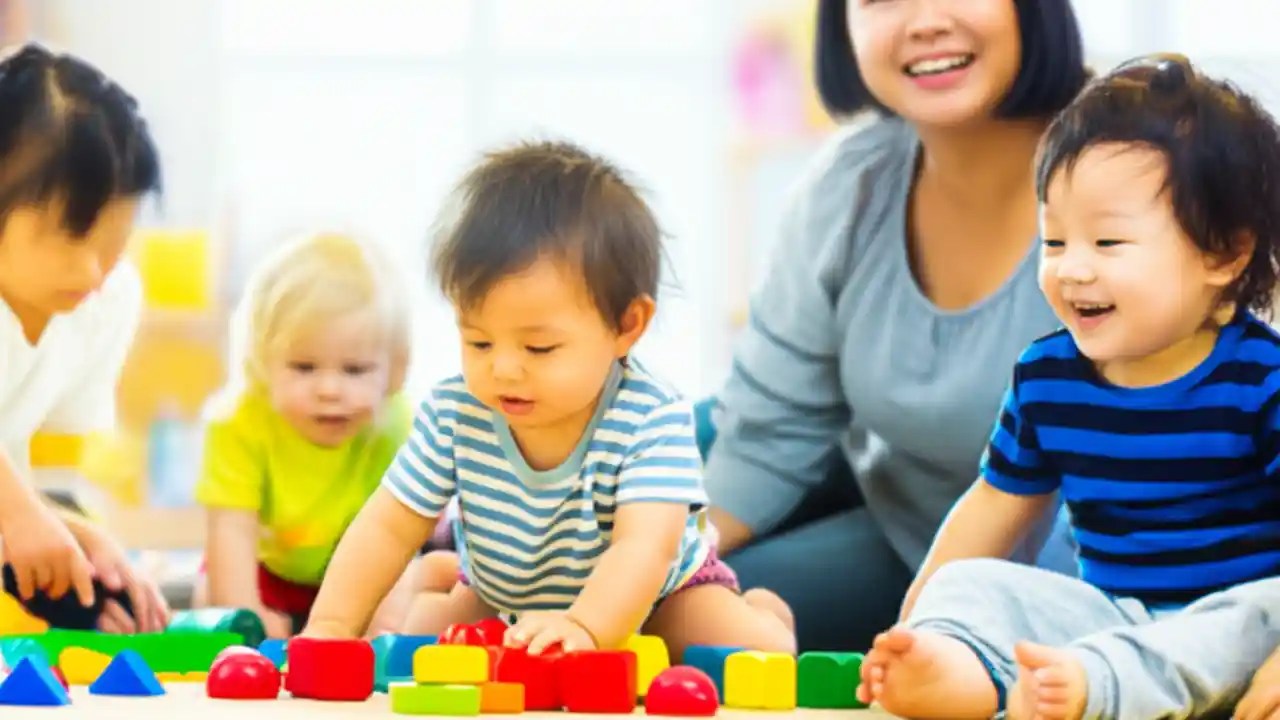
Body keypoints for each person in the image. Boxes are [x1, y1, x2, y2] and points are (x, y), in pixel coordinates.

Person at [857, 54, 1280, 720]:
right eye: (1054, 242)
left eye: (1108, 242)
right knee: (970, 584)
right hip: (1110, 619)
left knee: (1262, 610)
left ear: (1224, 253)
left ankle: (1093, 691)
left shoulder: (1262, 379)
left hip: (1235, 629)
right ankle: (959, 673)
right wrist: (926, 618)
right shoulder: (1047, 376)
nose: (1071, 270)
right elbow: (995, 508)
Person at [301, 141, 796, 660]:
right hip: (504, 597)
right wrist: (330, 626)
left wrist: (585, 626)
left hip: (657, 596)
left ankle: (767, 614)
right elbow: (388, 522)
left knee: (740, 648)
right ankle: (442, 580)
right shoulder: (455, 412)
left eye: (539, 347)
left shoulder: (651, 419)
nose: (503, 368)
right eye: (478, 341)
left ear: (626, 326)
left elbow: (643, 547)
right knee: (419, 637)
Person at [701, 0, 1089, 651]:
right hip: (895, 508)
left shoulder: (1138, 171)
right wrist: (642, 571)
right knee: (643, 457)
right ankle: (493, 554)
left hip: (1046, 578)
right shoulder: (849, 183)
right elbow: (770, 428)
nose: (925, 21)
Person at [0, 42, 169, 633]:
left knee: (87, 600)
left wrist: (80, 534)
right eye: (72, 237)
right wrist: (19, 514)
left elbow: (38, 478)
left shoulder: (107, 300)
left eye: (113, 241)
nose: (92, 272)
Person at [194, 232, 430, 637]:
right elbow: (231, 531)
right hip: (268, 571)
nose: (329, 390)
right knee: (210, 605)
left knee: (419, 600)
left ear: (394, 369)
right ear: (262, 363)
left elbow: (402, 538)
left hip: (361, 574)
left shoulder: (397, 427)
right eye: (304, 367)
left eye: (355, 370)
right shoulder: (239, 422)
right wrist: (245, 617)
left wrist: (382, 624)